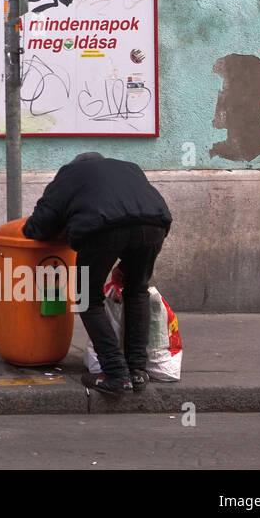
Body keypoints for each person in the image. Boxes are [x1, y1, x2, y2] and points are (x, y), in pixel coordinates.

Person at [23, 152, 172, 396]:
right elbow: (135, 213)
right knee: (136, 290)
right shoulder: (129, 167)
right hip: (155, 225)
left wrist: (37, 228)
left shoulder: (69, 174)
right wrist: (125, 266)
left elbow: (39, 226)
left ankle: (115, 373)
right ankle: (137, 371)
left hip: (103, 228)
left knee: (87, 299)